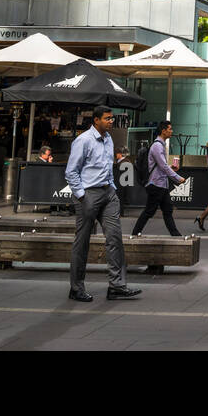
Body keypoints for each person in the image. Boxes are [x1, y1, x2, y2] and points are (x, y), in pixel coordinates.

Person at [64, 107, 140, 303]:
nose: (111, 121)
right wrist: (82, 196)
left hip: (108, 193)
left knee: (115, 238)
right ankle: (76, 288)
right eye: (107, 119)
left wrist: (112, 188)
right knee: (82, 243)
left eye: (112, 118)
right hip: (88, 194)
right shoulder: (83, 140)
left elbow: (108, 166)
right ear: (96, 120)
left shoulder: (108, 139)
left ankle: (117, 286)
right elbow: (71, 171)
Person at [132, 120, 187, 245]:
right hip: (156, 184)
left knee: (167, 210)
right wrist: (178, 178)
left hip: (161, 184)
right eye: (170, 129)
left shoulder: (160, 145)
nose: (171, 131)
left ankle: (176, 235)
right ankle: (134, 234)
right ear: (163, 130)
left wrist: (171, 170)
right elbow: (163, 166)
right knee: (149, 211)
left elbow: (161, 166)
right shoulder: (157, 146)